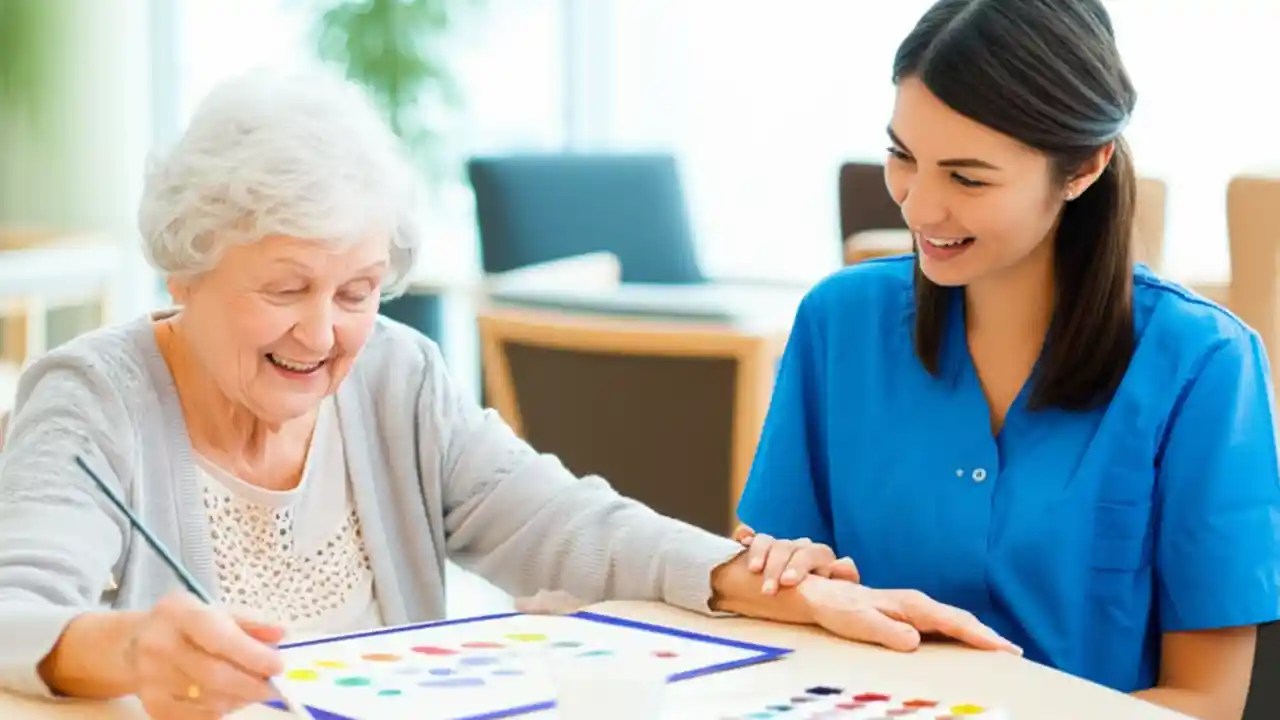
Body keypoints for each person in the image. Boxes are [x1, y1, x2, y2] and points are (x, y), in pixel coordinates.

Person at [0, 70, 1018, 719]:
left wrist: (791, 589)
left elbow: (563, 523)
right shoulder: (90, 399)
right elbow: (12, 620)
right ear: (183, 270)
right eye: (283, 291)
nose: (321, 333)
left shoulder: (394, 374)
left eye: (355, 291)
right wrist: (133, 649)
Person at [736, 1, 1280, 718]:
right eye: (903, 157)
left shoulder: (1202, 362)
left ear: (1084, 166)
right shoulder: (839, 322)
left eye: (968, 179)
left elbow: (1205, 701)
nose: (919, 208)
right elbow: (766, 599)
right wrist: (779, 579)